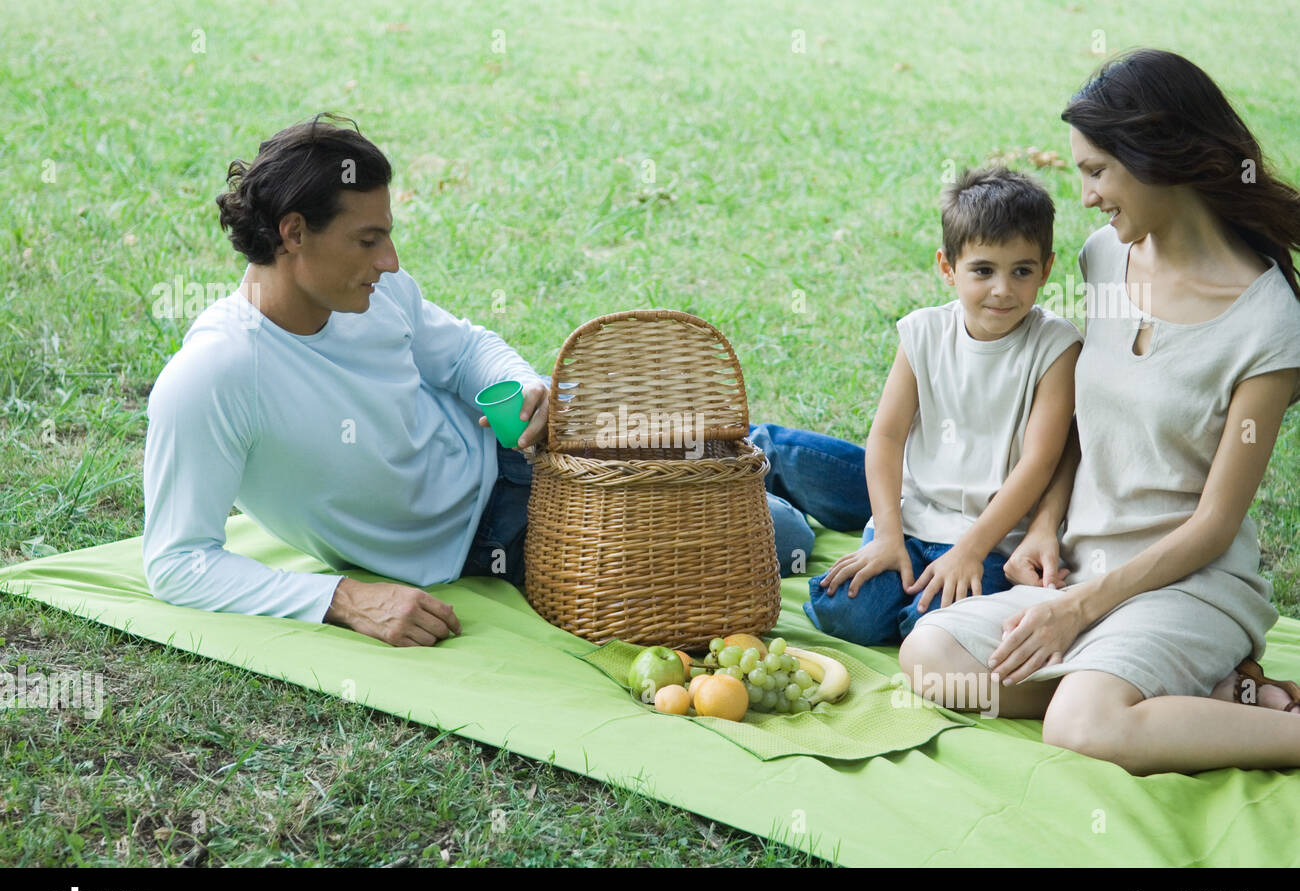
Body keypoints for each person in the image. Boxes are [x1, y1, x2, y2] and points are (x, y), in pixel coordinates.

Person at [141, 115, 830, 650]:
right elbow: (177, 562)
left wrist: (518, 382)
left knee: (716, 447)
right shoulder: (214, 374)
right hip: (496, 528)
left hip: (518, 443)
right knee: (781, 535)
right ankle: (769, 470)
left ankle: (902, 489)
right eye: (367, 239)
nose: (390, 259)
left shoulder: (375, 291)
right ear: (293, 233)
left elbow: (466, 350)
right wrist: (346, 599)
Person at [899, 49, 1300, 774]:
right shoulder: (1102, 261)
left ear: (1157, 158)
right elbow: (1088, 423)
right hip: (1082, 569)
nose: (1084, 196)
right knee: (931, 655)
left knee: (1079, 724)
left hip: (1191, 582)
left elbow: (1214, 523)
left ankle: (1215, 698)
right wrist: (1047, 525)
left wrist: (1080, 612)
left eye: (1096, 171)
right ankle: (1207, 693)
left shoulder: (1268, 325)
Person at [804, 168, 1082, 645]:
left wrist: (971, 550)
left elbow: (1040, 461)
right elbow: (887, 437)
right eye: (982, 270)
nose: (1002, 289)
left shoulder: (1055, 346)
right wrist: (888, 535)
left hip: (992, 539)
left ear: (1047, 269)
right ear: (947, 267)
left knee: (932, 628)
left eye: (1022, 270)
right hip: (912, 521)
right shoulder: (923, 333)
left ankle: (918, 609)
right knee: (848, 614)